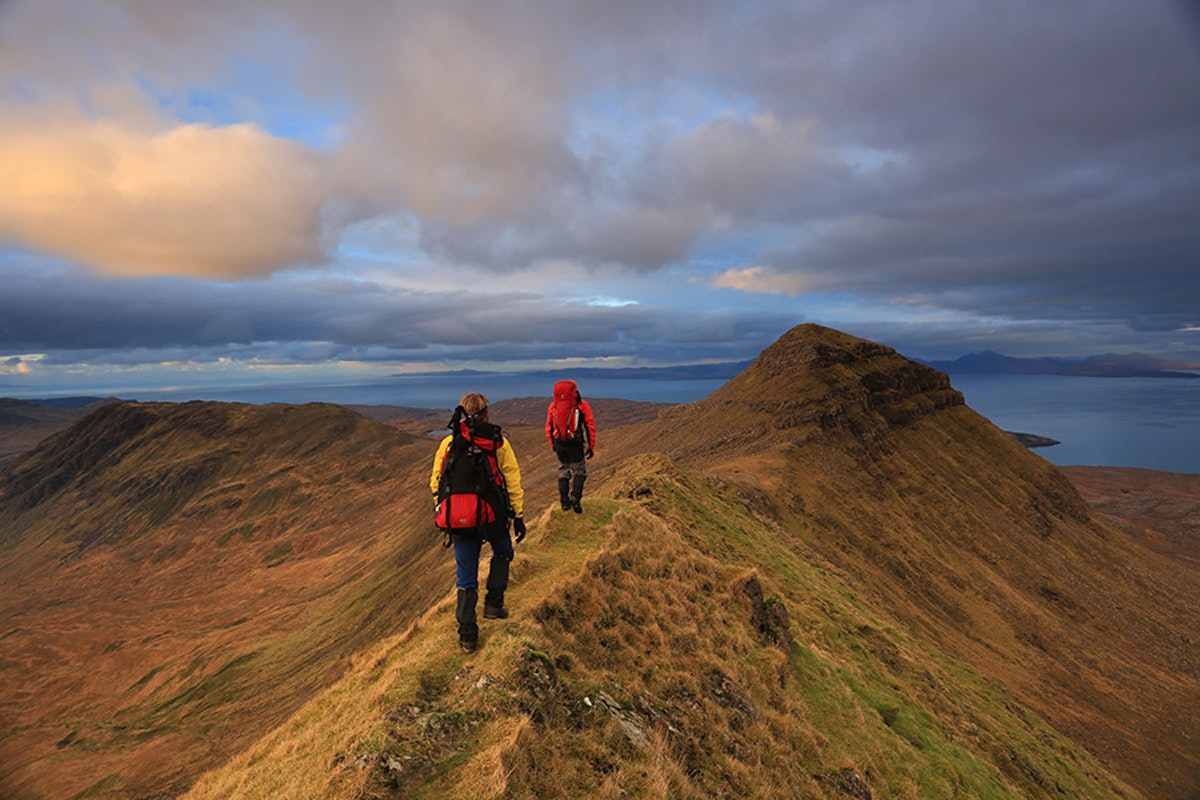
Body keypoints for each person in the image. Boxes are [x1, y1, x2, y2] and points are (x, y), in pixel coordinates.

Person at [430, 392, 525, 653]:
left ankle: (468, 637)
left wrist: (446, 507)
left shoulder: (449, 443)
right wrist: (517, 514)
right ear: (486, 413)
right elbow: (512, 480)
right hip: (492, 516)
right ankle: (494, 605)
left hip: (458, 520)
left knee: (466, 576)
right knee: (503, 552)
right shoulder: (498, 442)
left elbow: (436, 481)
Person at [545, 379, 596, 513]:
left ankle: (564, 502)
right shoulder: (581, 405)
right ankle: (575, 498)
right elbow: (590, 426)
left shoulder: (553, 406)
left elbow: (548, 427)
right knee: (579, 471)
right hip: (575, 443)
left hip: (560, 443)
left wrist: (553, 444)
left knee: (563, 471)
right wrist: (591, 446)